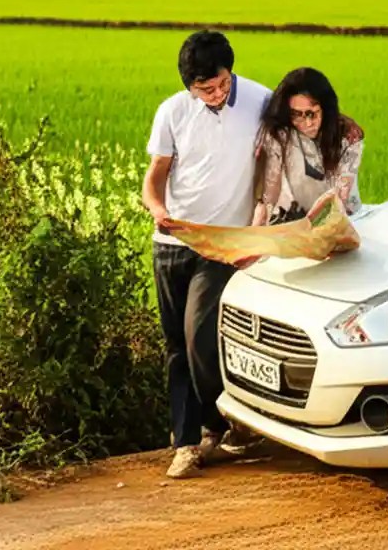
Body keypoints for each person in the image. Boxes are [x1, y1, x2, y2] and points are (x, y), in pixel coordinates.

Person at [141, 29, 270, 479]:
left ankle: (229, 422)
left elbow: (281, 162)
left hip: (224, 244)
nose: (216, 95)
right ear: (188, 86)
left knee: (199, 334)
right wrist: (157, 210)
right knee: (177, 345)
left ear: (230, 72)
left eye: (221, 84)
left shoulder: (260, 101)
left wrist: (260, 229)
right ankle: (188, 444)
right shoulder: (172, 112)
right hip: (173, 242)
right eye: (205, 90)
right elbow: (156, 175)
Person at [252, 67, 365, 227]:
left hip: (344, 217)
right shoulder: (280, 135)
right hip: (297, 218)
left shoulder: (348, 135)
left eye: (313, 113)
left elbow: (340, 196)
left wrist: (317, 228)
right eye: (297, 115)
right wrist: (258, 229)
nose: (307, 123)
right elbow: (270, 192)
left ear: (326, 109)